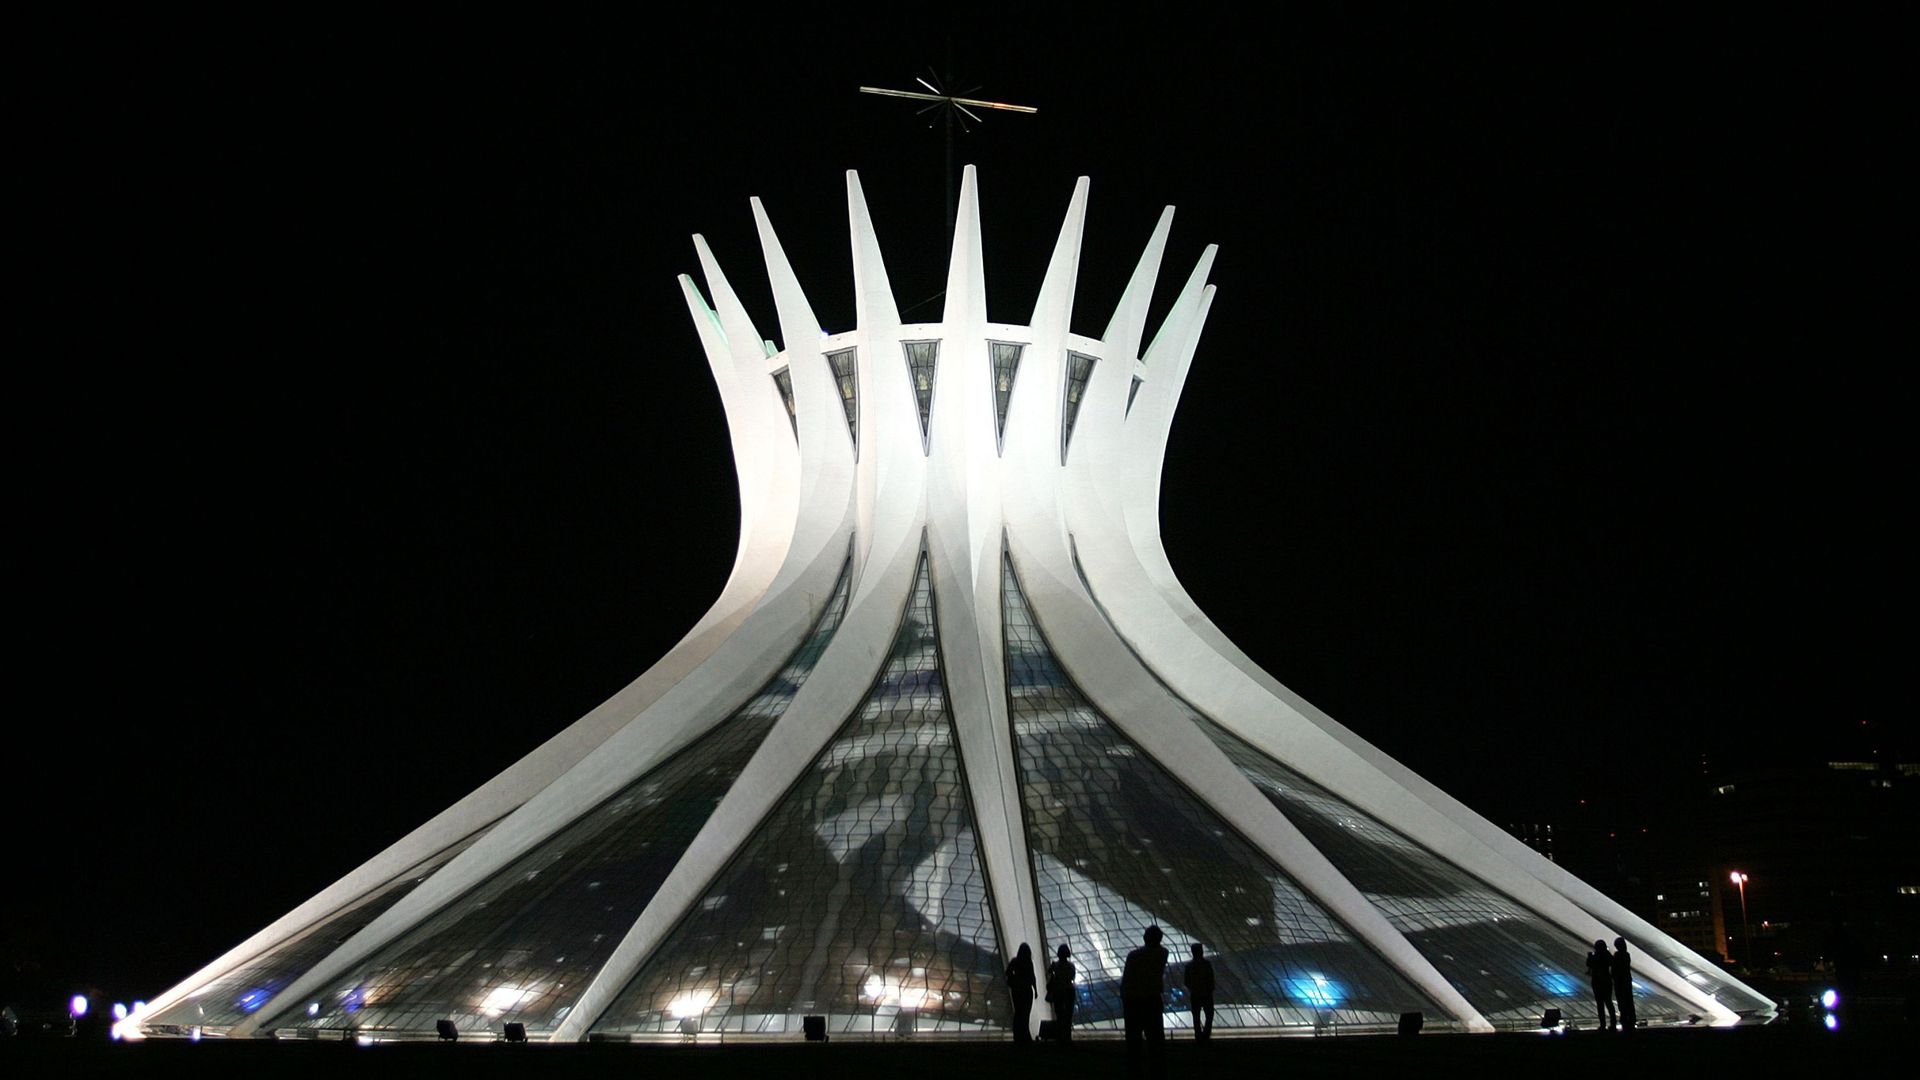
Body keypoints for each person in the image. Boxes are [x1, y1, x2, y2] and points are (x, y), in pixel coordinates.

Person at [1120, 925, 1168, 1053]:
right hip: (1153, 999)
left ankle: (1135, 1068)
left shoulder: (1134, 956)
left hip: (1134, 1000)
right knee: (1155, 1038)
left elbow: (1127, 978)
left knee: (1133, 1038)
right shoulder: (1163, 953)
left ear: (1145, 937)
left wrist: (1124, 996)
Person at [1045, 943, 1077, 1041]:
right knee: (1068, 1016)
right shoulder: (1071, 966)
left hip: (1058, 992)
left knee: (1059, 1014)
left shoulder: (1055, 965)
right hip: (1069, 991)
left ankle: (1060, 1037)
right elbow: (1072, 977)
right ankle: (1067, 1036)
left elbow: (1048, 972)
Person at [1006, 942, 1037, 1042]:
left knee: (1018, 1013)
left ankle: (1017, 1035)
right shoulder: (1029, 963)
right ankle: (1025, 1035)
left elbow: (1007, 972)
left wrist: (1014, 979)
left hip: (1017, 991)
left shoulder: (1015, 961)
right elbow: (1032, 977)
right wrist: (1035, 990)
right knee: (1025, 1014)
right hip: (1027, 991)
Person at [1184, 943, 1215, 1039]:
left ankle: (1198, 1035)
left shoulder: (1189, 966)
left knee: (1196, 1016)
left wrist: (1192, 988)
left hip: (1195, 994)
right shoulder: (1207, 964)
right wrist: (1210, 988)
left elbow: (1186, 981)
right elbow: (1211, 978)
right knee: (1209, 1015)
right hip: (1207, 993)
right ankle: (1206, 1034)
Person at [1586, 939, 1617, 1030]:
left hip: (1597, 981)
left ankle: (1603, 1024)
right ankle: (1613, 1023)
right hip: (1606, 980)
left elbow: (1589, 964)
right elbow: (1613, 963)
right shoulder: (1607, 955)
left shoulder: (1595, 956)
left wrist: (1590, 957)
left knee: (1600, 1004)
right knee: (1608, 1002)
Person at [1611, 937, 1637, 1032]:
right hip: (1626, 981)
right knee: (1629, 1001)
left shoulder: (1618, 956)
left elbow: (1614, 968)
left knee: (1622, 1002)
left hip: (1620, 982)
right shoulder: (1626, 955)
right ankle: (1631, 1020)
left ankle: (1625, 1020)